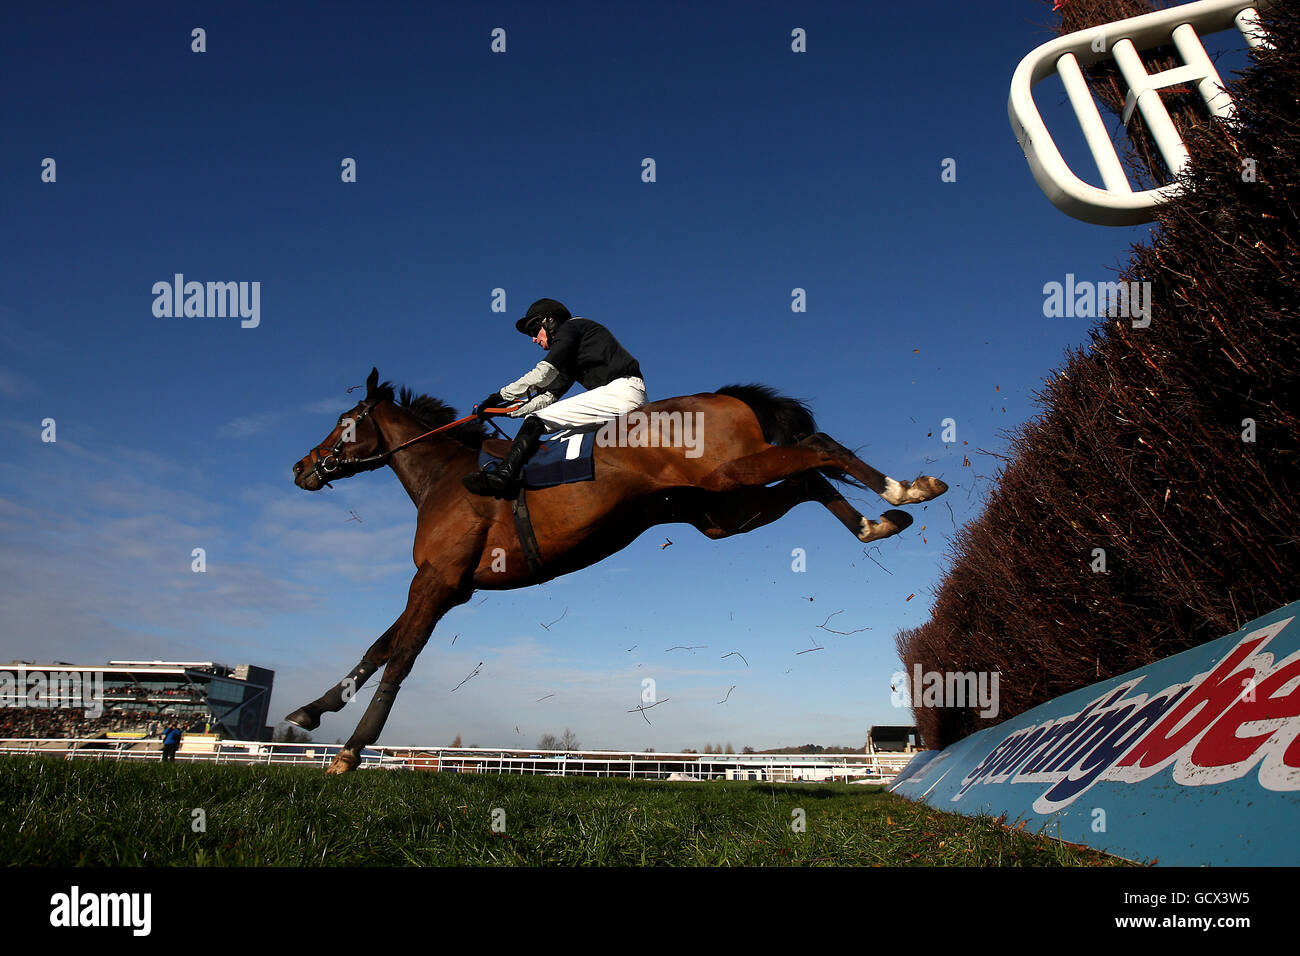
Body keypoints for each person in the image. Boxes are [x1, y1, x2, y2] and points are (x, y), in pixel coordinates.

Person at [462, 298, 647, 497]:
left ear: (550, 321)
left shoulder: (570, 327)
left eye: (534, 331)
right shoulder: (572, 353)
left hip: (621, 394)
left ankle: (504, 475)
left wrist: (494, 398)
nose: (533, 339)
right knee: (556, 440)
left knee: (536, 420)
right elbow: (547, 397)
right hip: (621, 398)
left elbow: (542, 375)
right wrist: (503, 411)